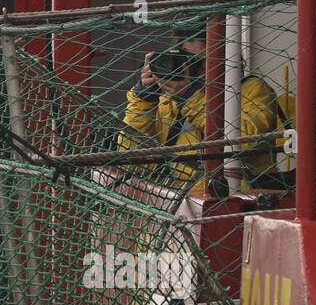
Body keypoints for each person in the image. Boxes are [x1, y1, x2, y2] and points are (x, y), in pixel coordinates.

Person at [119, 23, 285, 193]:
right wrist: (144, 100)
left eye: (202, 60)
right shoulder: (167, 100)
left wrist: (189, 96)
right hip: (179, 200)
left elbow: (239, 144)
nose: (197, 68)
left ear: (227, 57)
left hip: (238, 195)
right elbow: (133, 162)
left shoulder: (252, 89)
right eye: (189, 59)